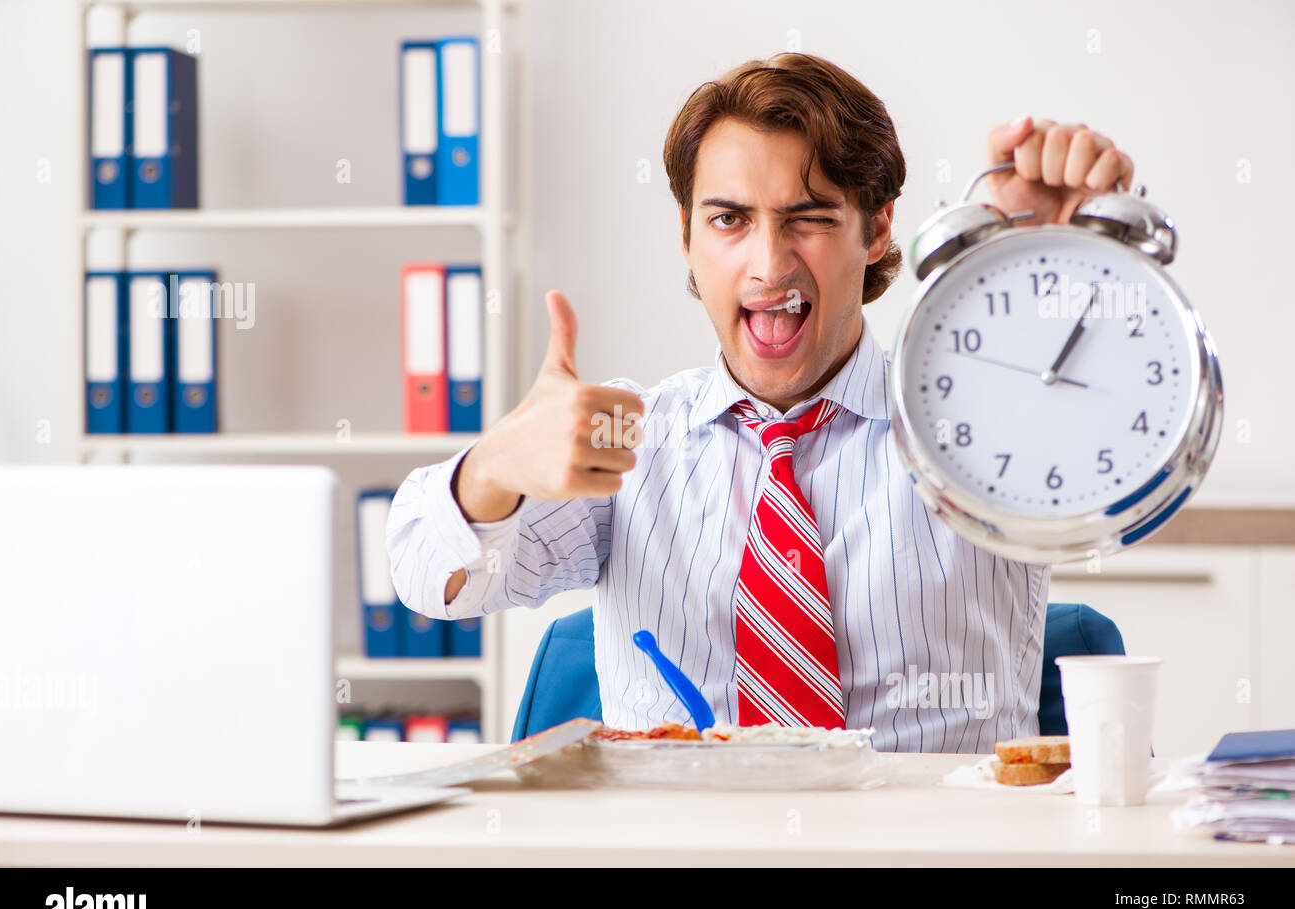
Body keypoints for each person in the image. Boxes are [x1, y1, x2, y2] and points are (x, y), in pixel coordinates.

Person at [387, 52, 1135, 752]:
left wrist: (1057, 270)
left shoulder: (983, 423)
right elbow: (429, 579)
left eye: (808, 216)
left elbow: (1124, 462)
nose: (770, 263)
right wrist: (494, 467)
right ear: (686, 237)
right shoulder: (627, 436)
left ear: (875, 229)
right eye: (729, 219)